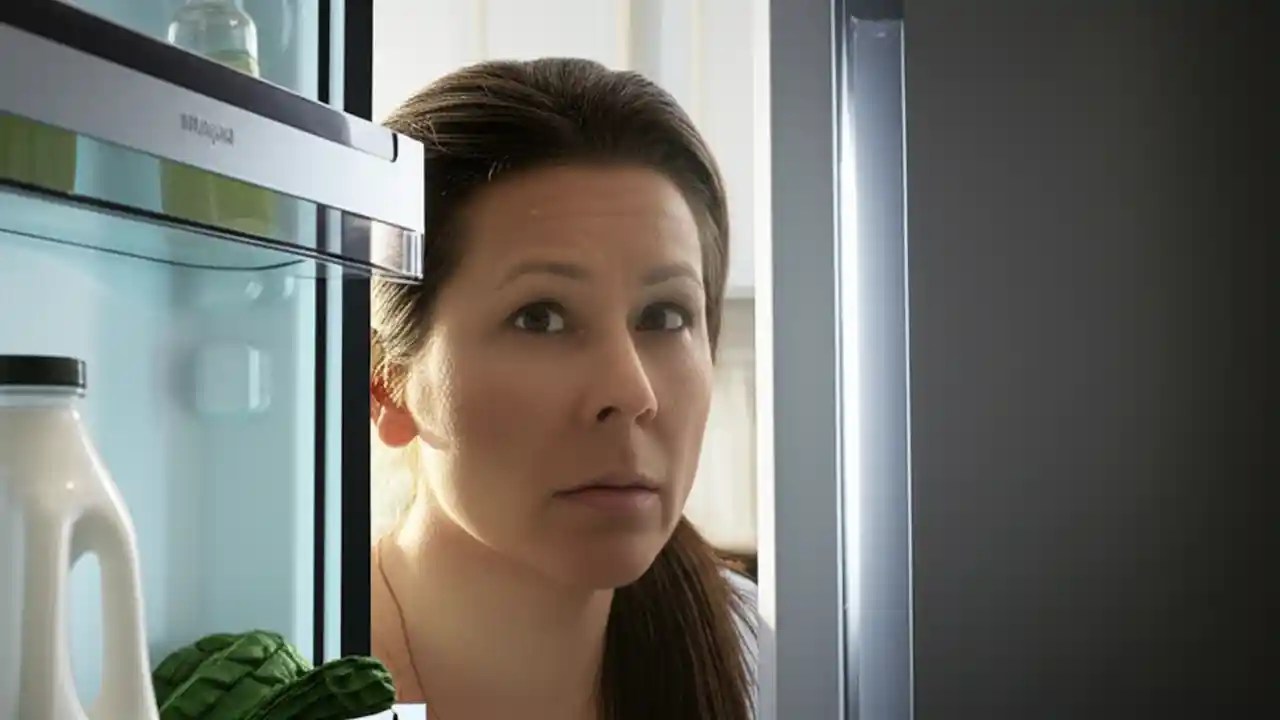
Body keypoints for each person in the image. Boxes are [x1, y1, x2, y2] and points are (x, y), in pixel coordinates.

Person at [368, 57, 757, 720]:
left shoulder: (777, 659)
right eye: (540, 317)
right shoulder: (285, 679)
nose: (631, 392)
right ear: (387, 380)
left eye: (664, 316)